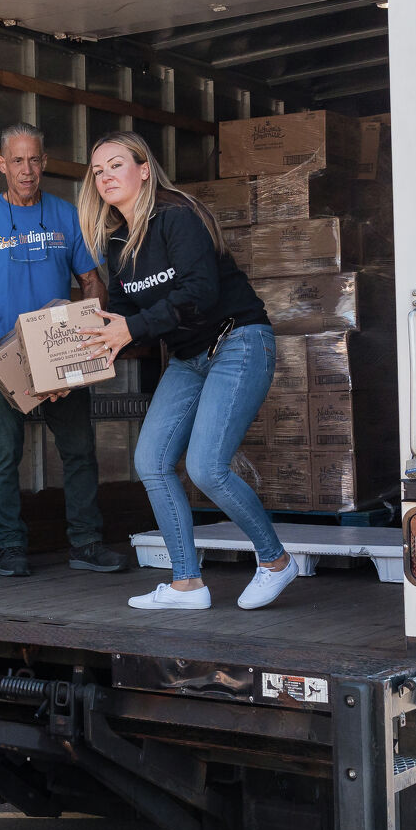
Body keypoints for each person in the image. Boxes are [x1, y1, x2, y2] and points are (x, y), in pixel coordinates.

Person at [76, 132, 298, 611]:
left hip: (238, 341)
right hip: (188, 357)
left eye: (116, 165)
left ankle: (276, 561)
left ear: (144, 170)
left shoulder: (177, 217)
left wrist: (131, 328)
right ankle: (186, 585)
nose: (105, 176)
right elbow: (124, 320)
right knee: (151, 462)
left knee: (206, 467)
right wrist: (71, 365)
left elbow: (199, 293)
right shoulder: (117, 242)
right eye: (97, 171)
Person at [0, 124, 129, 579]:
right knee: (3, 455)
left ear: (44, 163)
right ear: (2, 164)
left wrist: (84, 332)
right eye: (17, 161)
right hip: (5, 358)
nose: (26, 170)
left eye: (34, 160)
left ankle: (86, 543)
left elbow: (92, 282)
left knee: (79, 450)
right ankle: (10, 547)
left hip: (61, 351)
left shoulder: (66, 216)